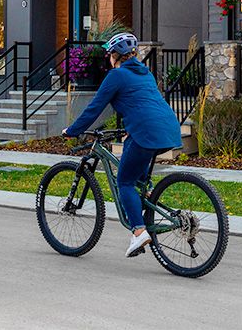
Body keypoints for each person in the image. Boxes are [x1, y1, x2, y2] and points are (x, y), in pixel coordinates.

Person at [62, 32, 181, 258]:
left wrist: (73, 130)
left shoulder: (116, 76)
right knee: (135, 170)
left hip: (145, 132)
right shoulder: (146, 74)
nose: (109, 59)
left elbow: (94, 108)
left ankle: (138, 231)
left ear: (115, 56)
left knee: (124, 182)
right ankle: (147, 195)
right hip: (168, 129)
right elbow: (142, 103)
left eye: (109, 55)